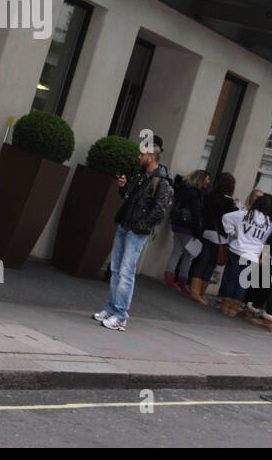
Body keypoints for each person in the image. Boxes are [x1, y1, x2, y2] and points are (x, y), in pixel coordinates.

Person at [94, 134, 173, 332]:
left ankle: (121, 316)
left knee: (126, 273)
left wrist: (140, 225)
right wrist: (123, 187)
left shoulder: (161, 180)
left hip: (136, 231)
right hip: (125, 226)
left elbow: (159, 209)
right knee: (116, 270)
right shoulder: (141, 175)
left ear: (151, 157)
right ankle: (110, 309)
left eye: (142, 154)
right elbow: (130, 199)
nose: (139, 157)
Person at [216, 189, 272, 317]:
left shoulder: (244, 214)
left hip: (237, 250)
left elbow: (225, 218)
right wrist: (263, 259)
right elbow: (266, 242)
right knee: (243, 282)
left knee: (231, 278)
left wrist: (231, 232)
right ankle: (233, 309)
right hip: (253, 255)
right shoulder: (268, 223)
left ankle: (225, 306)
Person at [188, 172, 237, 305]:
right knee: (210, 264)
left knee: (202, 261)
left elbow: (203, 213)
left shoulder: (209, 196)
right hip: (219, 236)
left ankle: (194, 291)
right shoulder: (229, 202)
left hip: (206, 232)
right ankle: (201, 293)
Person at [165, 170, 208, 293]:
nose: (208, 182)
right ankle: (182, 281)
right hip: (188, 227)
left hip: (178, 224)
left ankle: (169, 278)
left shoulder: (185, 188)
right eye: (207, 179)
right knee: (189, 256)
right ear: (201, 179)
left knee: (176, 253)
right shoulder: (195, 193)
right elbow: (195, 213)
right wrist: (197, 232)